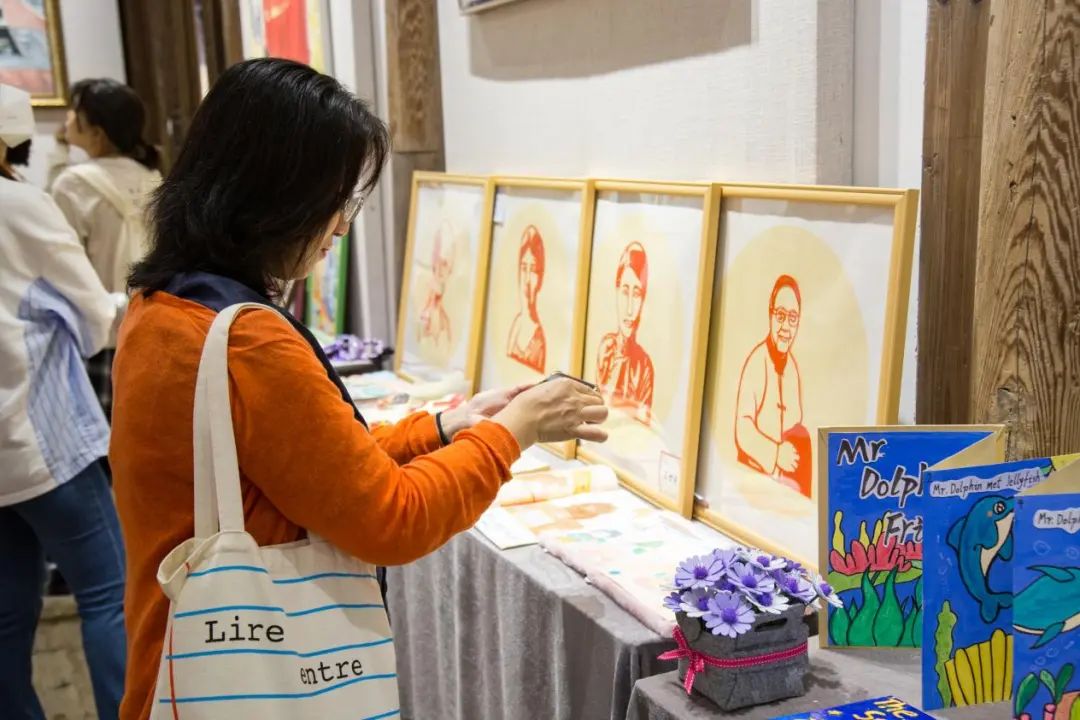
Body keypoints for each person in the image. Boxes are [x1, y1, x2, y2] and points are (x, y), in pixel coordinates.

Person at [109, 59, 609, 719]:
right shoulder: (247, 342)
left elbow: (305, 461)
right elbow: (392, 520)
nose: (341, 226)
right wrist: (510, 432)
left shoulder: (162, 305)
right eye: (332, 199)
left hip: (174, 666)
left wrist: (442, 431)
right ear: (272, 194)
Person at [0, 83, 128, 720]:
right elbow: (93, 316)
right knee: (110, 594)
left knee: (4, 624)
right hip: (44, 440)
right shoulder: (21, 203)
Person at [48, 78, 162, 419]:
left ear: (96, 133)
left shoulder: (73, 183)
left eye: (75, 112)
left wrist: (58, 150)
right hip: (155, 325)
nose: (68, 118)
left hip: (104, 335)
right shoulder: (153, 177)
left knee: (109, 443)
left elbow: (60, 263)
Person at [734, 274, 812, 496]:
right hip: (751, 482)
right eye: (780, 316)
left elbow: (795, 428)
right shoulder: (756, 362)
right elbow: (743, 428)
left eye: (793, 318)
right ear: (770, 315)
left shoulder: (793, 371)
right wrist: (775, 454)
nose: (786, 327)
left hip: (783, 486)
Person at [596, 241, 655, 423]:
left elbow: (642, 429)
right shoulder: (606, 348)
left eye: (636, 294)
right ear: (616, 291)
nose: (630, 309)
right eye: (624, 291)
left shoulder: (644, 367)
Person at [506, 224, 546, 373]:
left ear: (541, 277)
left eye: (534, 270)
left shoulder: (539, 338)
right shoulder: (517, 323)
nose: (527, 280)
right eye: (524, 268)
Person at [417, 219, 455, 348]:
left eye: (444, 264)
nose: (439, 268)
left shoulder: (445, 318)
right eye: (436, 261)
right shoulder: (425, 291)